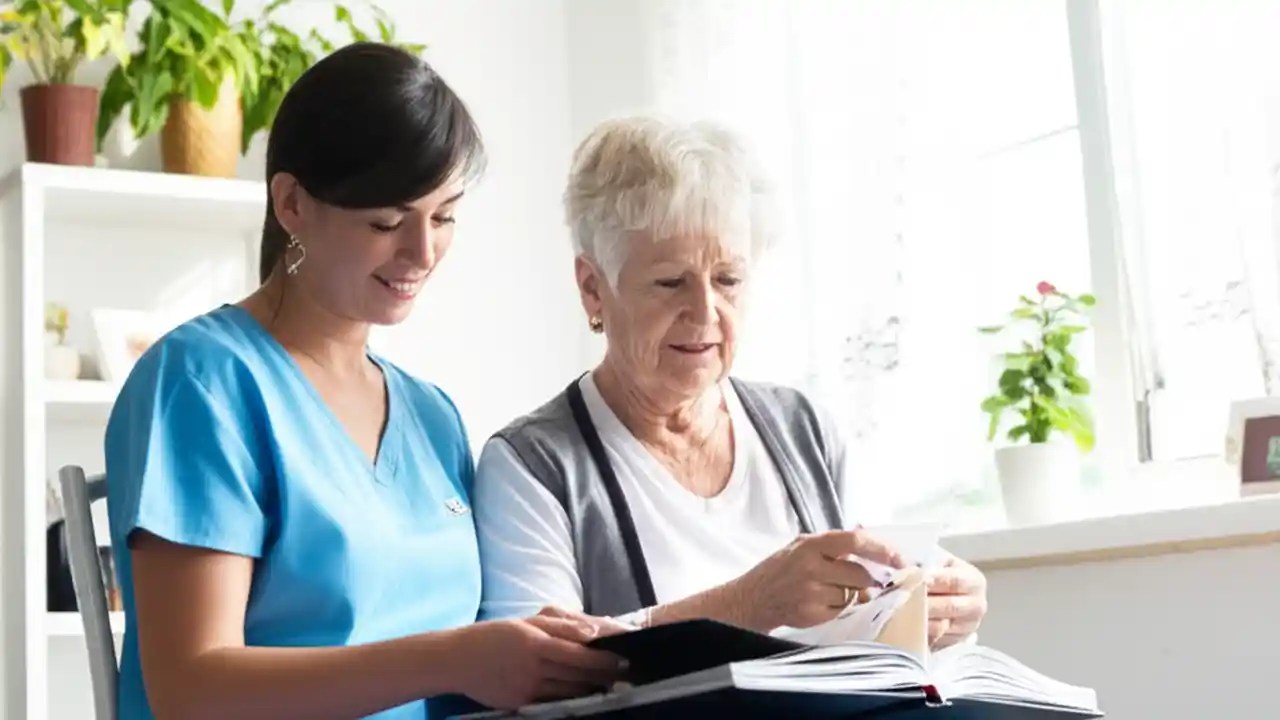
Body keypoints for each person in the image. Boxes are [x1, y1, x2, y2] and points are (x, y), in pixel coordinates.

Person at [104, 43, 620, 720]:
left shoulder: (431, 416)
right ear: (291, 203)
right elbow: (191, 687)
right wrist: (453, 657)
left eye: (444, 217)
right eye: (387, 222)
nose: (423, 253)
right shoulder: (204, 383)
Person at [473, 116, 988, 646]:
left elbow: (881, 614)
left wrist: (939, 606)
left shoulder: (803, 428)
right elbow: (538, 669)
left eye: (728, 279)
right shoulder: (534, 465)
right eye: (670, 282)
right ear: (592, 289)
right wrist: (747, 604)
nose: (705, 311)